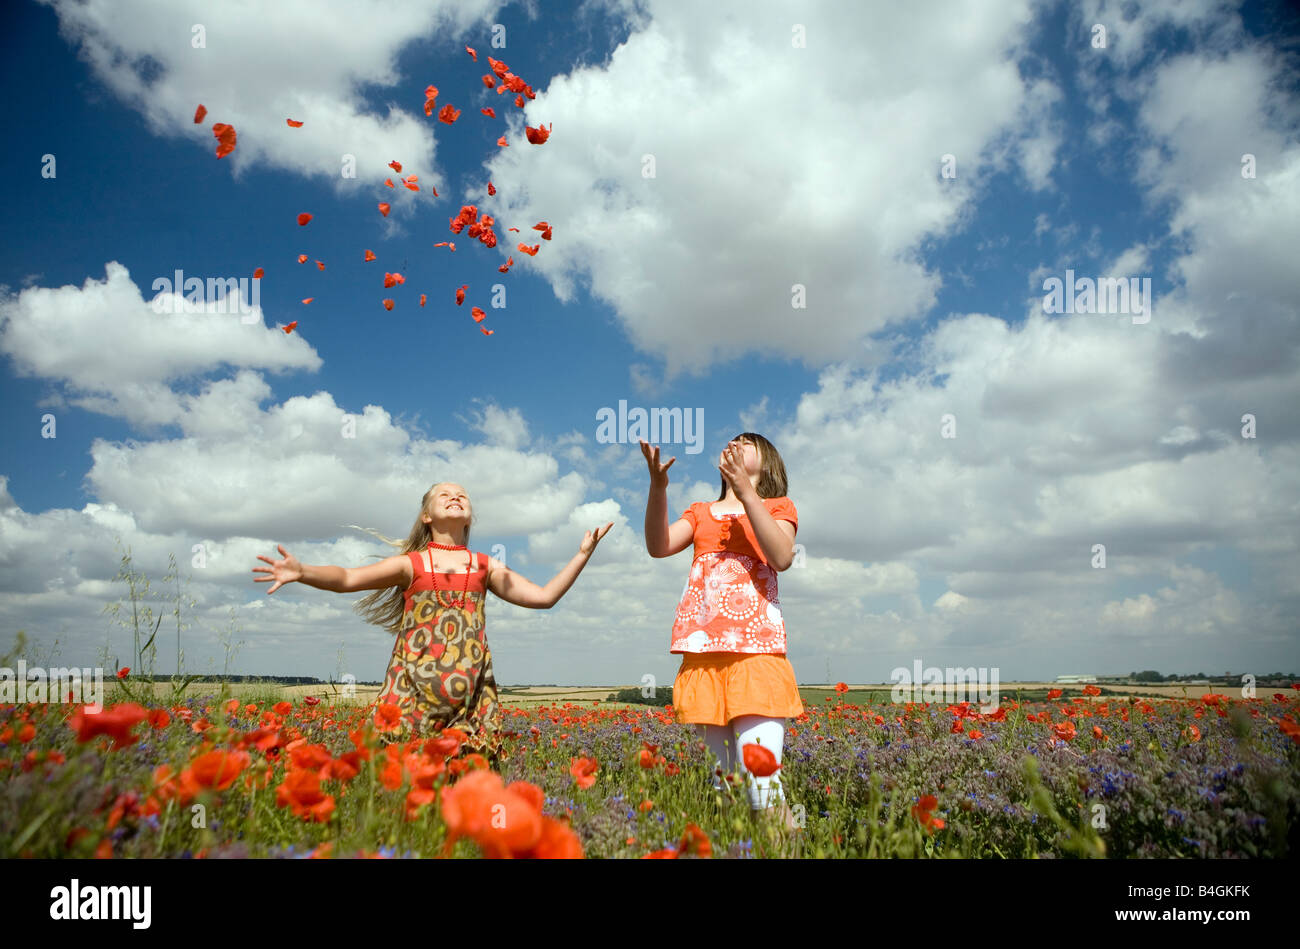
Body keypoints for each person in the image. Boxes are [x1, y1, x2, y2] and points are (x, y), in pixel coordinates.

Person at [254, 481, 612, 766]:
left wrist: (582, 555)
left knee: (465, 782)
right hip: (410, 694)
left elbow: (544, 597)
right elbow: (347, 577)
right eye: (444, 494)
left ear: (469, 518)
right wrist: (303, 572)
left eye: (462, 495)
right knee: (402, 781)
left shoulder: (486, 567)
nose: (455, 497)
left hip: (470, 700)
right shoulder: (411, 564)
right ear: (427, 515)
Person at [640, 434, 803, 832]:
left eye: (746, 442)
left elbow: (781, 556)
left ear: (767, 465)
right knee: (725, 790)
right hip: (705, 660)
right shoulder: (700, 512)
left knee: (763, 788)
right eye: (731, 439)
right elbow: (658, 546)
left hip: (755, 658)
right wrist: (658, 488)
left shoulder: (776, 506)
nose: (734, 442)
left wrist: (747, 494)